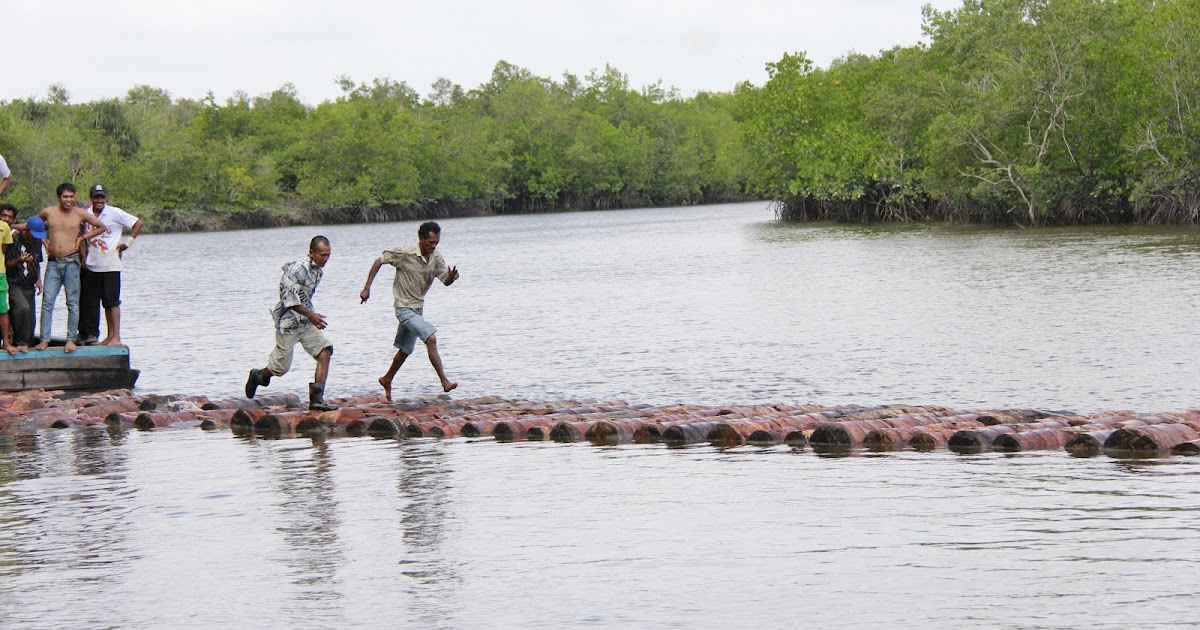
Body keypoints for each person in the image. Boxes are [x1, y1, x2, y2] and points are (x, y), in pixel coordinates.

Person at [359, 221, 460, 400]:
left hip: (417, 308)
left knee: (405, 349)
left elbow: (445, 281)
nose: (433, 246)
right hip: (403, 308)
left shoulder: (436, 257)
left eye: (436, 242)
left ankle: (387, 379)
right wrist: (367, 288)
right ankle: (444, 381)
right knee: (431, 338)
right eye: (430, 242)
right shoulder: (405, 253)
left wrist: (451, 278)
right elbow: (379, 261)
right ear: (421, 238)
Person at [244, 236, 337, 411]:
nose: (326, 259)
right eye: (323, 255)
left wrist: (311, 317)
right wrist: (312, 316)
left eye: (328, 255)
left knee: (325, 352)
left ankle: (317, 400)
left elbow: (305, 298)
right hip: (288, 323)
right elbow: (289, 301)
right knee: (280, 368)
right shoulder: (295, 271)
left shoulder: (317, 271)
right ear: (311, 253)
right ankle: (258, 375)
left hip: (306, 322)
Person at [33, 183, 107, 353]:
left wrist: (82, 238)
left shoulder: (80, 213)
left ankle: (71, 339)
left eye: (71, 196)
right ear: (59, 198)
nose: (68, 200)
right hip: (53, 262)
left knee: (73, 303)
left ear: (75, 197)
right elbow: (34, 224)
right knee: (47, 301)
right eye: (65, 197)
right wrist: (44, 241)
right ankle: (44, 339)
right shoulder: (49, 212)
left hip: (71, 262)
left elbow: (102, 227)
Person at [78, 183, 142, 346]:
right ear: (91, 198)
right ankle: (109, 335)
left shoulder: (114, 212)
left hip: (110, 264)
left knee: (112, 302)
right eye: (96, 197)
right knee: (100, 302)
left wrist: (127, 243)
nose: (99, 200)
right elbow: (81, 235)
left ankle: (116, 336)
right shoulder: (86, 213)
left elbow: (138, 223)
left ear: (106, 198)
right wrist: (83, 256)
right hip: (92, 264)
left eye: (102, 197)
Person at [1, 204, 41, 349]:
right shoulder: (13, 240)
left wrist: (38, 279)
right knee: (22, 308)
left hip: (29, 283)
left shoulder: (37, 242)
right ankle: (19, 342)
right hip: (14, 282)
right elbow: (7, 264)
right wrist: (20, 260)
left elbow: (37, 261)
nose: (35, 237)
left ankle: (27, 343)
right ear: (26, 230)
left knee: (30, 317)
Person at [0, 205, 16, 354]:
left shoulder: (4, 227)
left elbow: (4, 249)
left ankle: (6, 342)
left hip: (0, 273)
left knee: (3, 310)